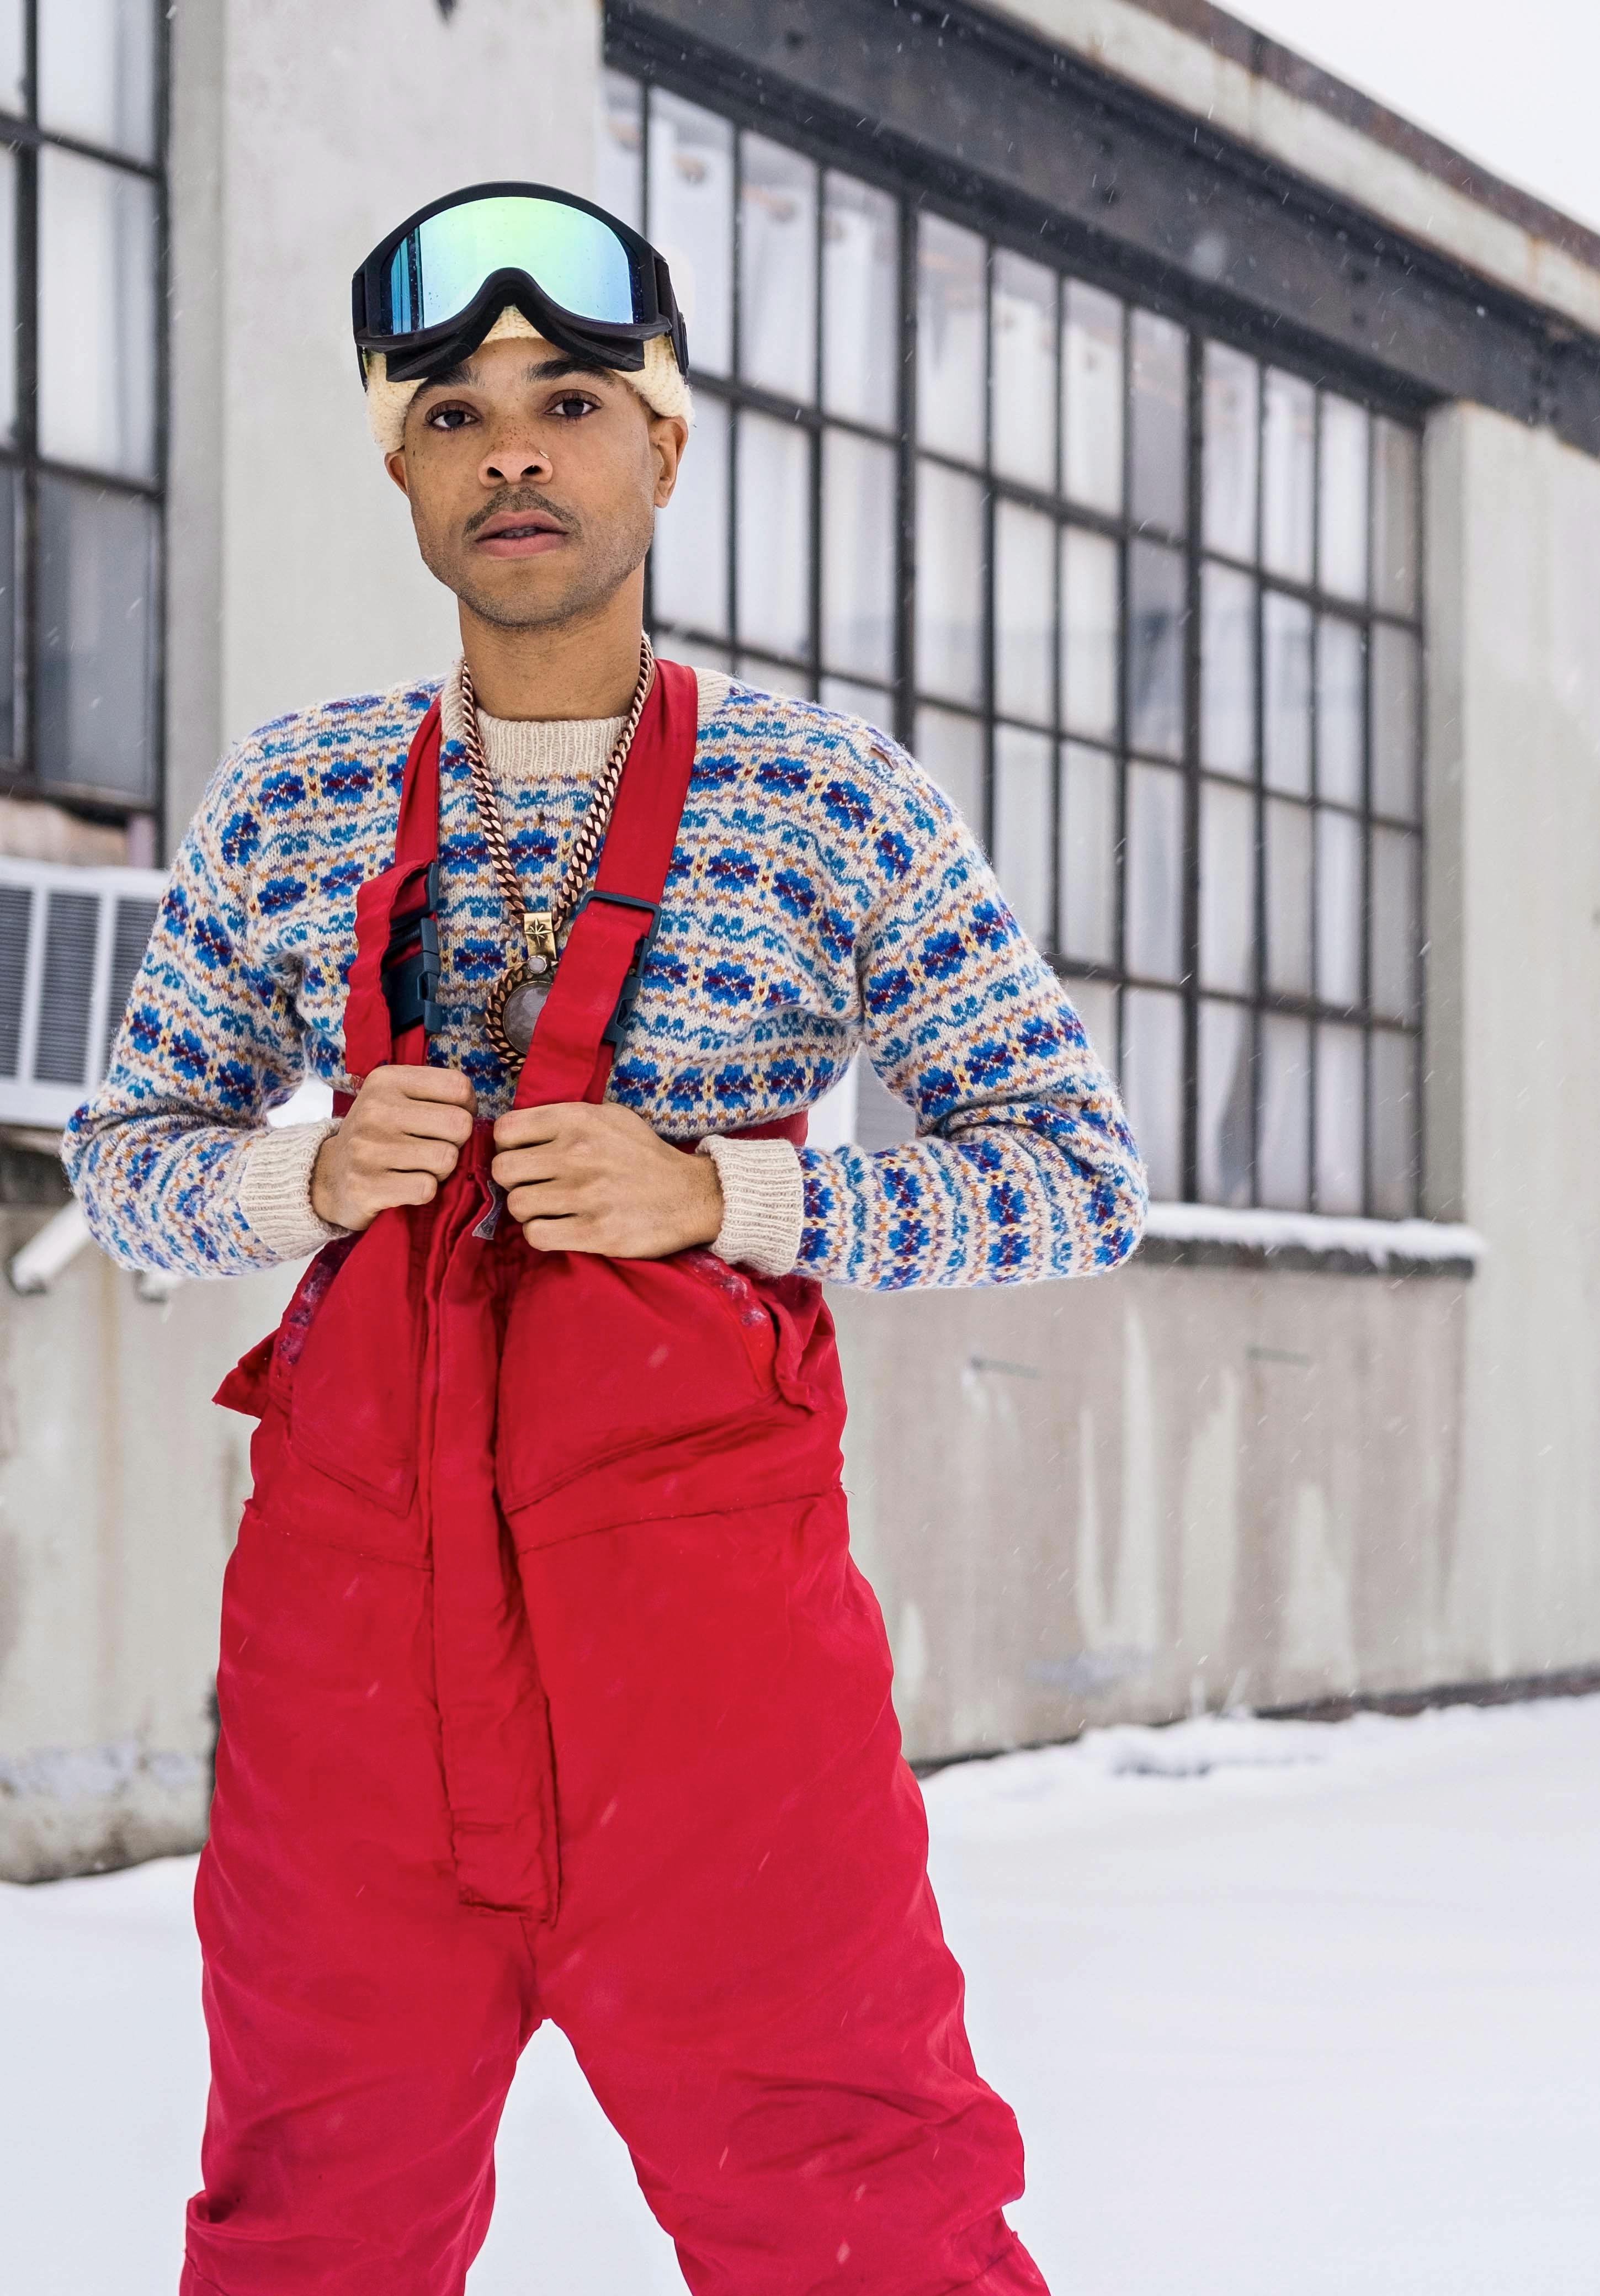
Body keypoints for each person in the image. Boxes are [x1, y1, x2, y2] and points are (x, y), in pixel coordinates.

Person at [65, 182, 1146, 2296]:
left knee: (866, 2233)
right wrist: (299, 1172)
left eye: (569, 399)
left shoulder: (827, 796)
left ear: (666, 441)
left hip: (716, 1706)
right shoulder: (292, 796)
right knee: (307, 2237)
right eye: (454, 414)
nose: (515, 454)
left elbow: (1074, 1170)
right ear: (400, 466)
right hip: (350, 1691)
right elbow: (125, 1155)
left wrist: (731, 1194)